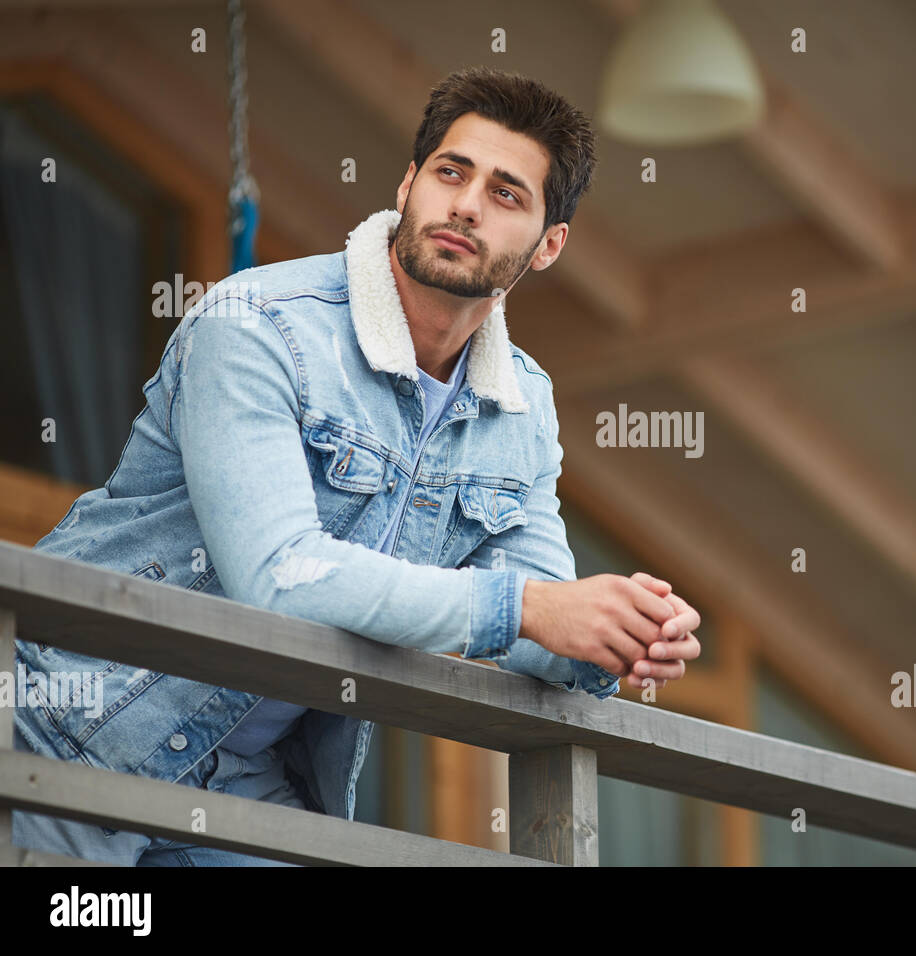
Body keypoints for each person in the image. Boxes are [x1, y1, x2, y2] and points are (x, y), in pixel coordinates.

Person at [11, 65, 701, 866]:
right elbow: (277, 576)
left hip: (236, 783)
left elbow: (541, 616)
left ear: (549, 246)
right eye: (451, 172)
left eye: (507, 193)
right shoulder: (256, 326)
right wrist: (530, 609)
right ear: (408, 184)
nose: (467, 204)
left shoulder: (521, 409)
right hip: (63, 729)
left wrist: (621, 635)